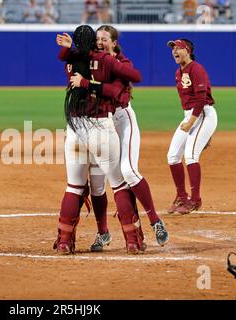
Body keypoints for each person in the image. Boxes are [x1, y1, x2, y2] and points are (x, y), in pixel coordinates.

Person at [59, 26, 169, 250]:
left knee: (75, 186)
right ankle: (130, 240)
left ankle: (64, 242)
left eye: (105, 39)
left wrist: (69, 50)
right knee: (114, 184)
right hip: (101, 126)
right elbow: (126, 81)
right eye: (97, 38)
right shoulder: (106, 62)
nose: (100, 42)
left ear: (114, 42)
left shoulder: (74, 62)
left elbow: (67, 57)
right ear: (93, 42)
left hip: (77, 129)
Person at [166, 39, 218, 214]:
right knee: (173, 156)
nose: (174, 51)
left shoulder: (196, 69)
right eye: (173, 48)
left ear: (187, 50)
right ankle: (181, 196)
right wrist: (190, 121)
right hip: (191, 115)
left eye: (178, 48)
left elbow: (201, 100)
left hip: (203, 114)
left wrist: (192, 123)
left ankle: (195, 200)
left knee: (190, 156)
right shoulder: (178, 72)